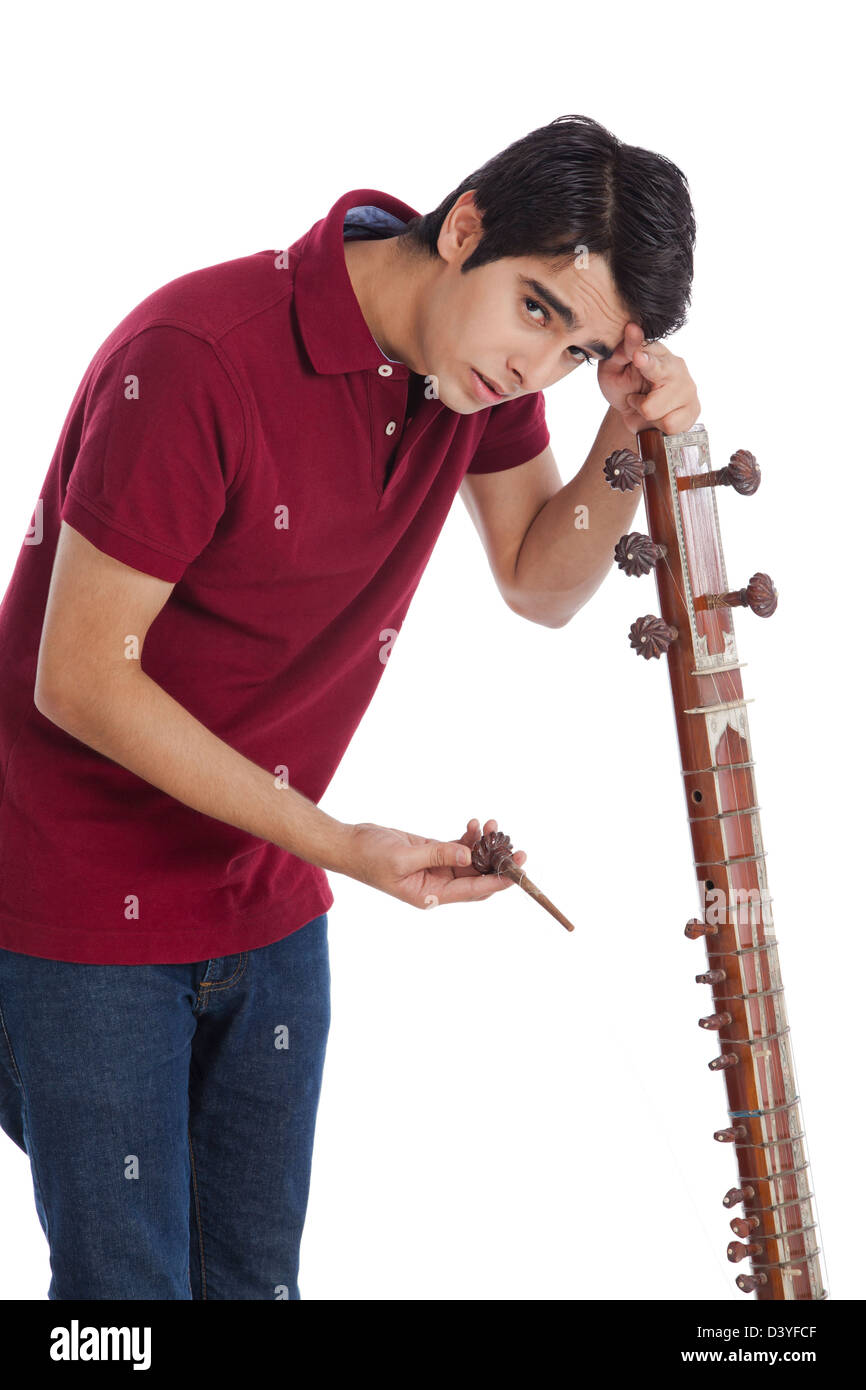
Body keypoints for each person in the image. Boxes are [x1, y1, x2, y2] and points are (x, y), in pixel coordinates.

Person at [0, 113, 700, 1299]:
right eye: (536, 306)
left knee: (254, 1287)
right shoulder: (198, 354)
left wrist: (622, 433)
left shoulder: (470, 381)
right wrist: (341, 845)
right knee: (124, 1307)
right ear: (464, 224)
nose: (538, 367)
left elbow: (537, 577)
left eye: (579, 350)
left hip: (267, 903)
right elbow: (79, 676)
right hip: (76, 905)